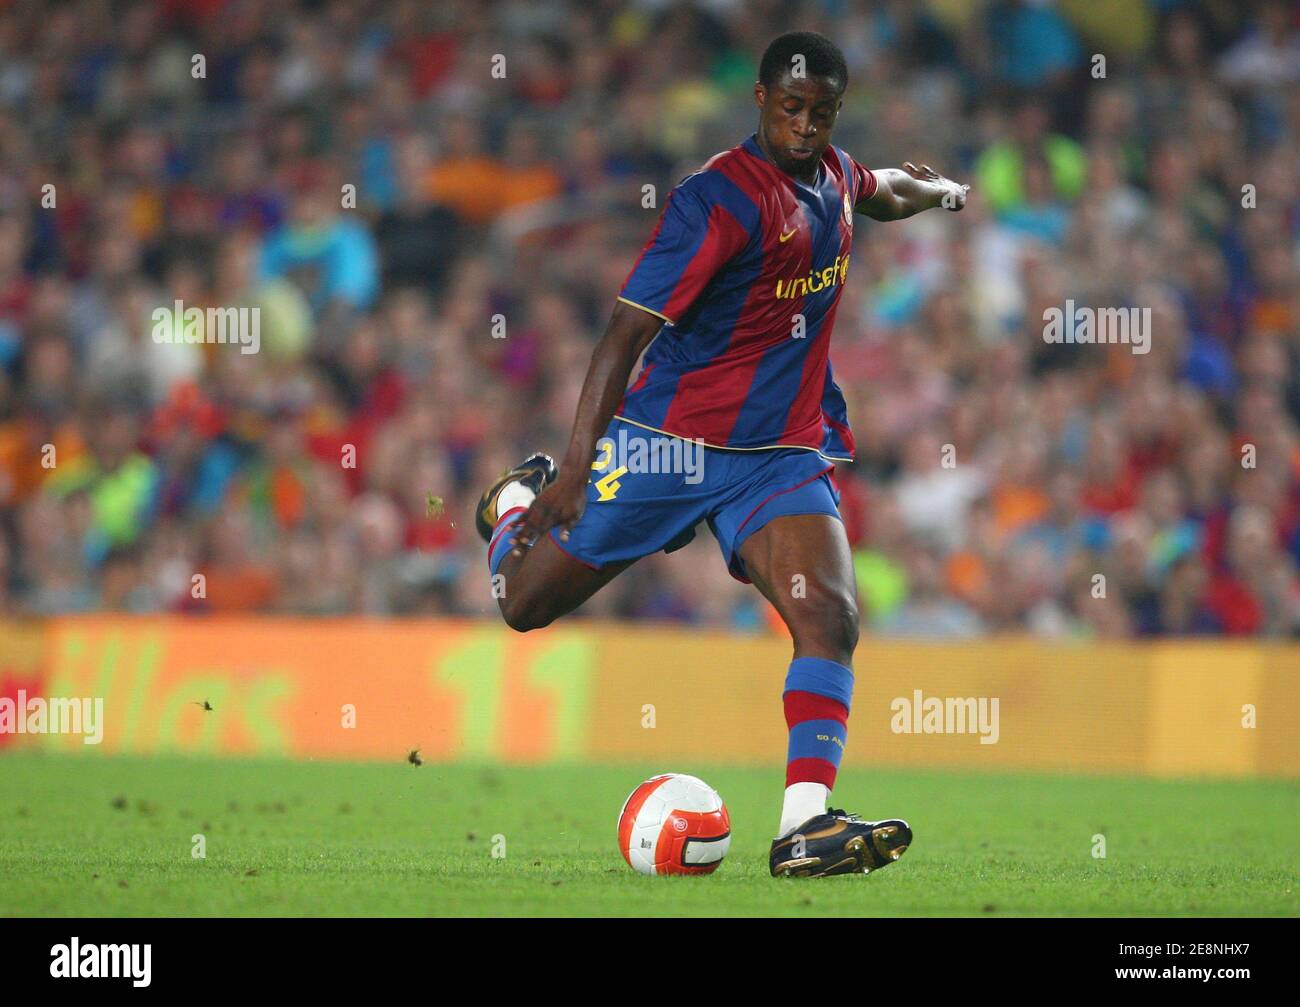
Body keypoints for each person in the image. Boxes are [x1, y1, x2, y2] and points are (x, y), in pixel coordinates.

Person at [474, 31, 969, 878]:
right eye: (790, 109)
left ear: (837, 113)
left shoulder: (838, 177)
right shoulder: (715, 201)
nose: (806, 126)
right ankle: (515, 507)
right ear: (760, 102)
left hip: (778, 454)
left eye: (821, 113)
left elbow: (880, 189)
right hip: (667, 447)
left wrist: (944, 190)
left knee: (832, 619)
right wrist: (574, 464)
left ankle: (804, 826)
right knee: (523, 606)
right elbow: (624, 333)